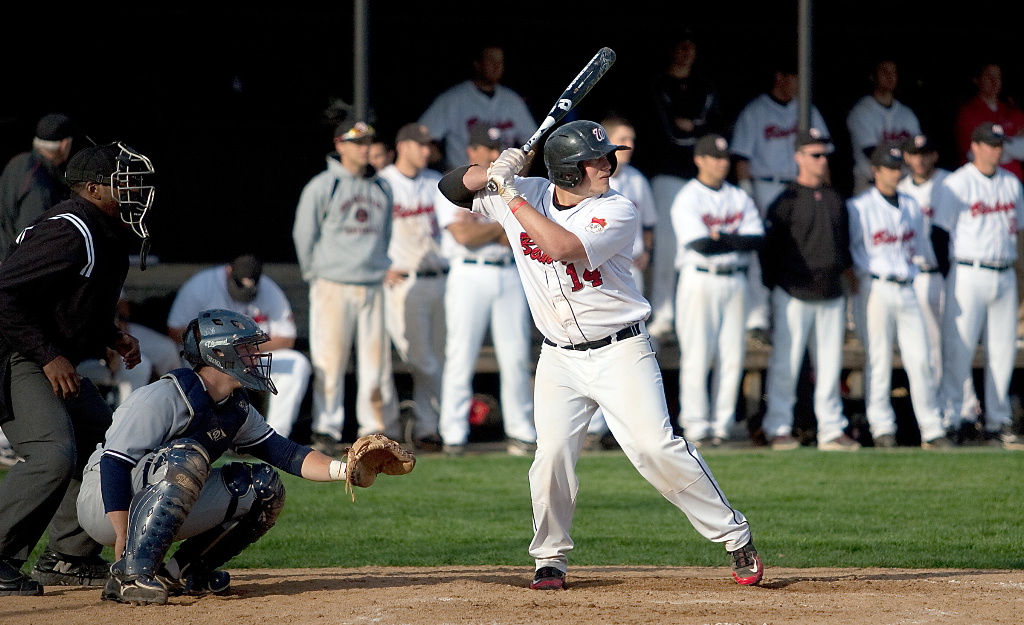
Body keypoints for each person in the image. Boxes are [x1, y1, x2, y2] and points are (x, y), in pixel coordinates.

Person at [437, 119, 764, 590]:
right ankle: (550, 558)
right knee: (549, 456)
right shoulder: (524, 188)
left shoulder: (617, 208)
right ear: (567, 171)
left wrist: (508, 196)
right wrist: (488, 169)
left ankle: (734, 535)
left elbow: (562, 246)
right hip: (558, 358)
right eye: (595, 160)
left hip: (620, 350)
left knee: (655, 448)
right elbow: (451, 187)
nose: (608, 165)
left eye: (607, 156)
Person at [76, 309, 412, 605]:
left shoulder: (236, 409)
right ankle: (130, 574)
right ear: (219, 353)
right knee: (187, 457)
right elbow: (115, 463)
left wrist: (348, 469)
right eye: (246, 348)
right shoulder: (164, 395)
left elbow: (287, 454)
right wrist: (122, 535)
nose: (255, 355)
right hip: (105, 503)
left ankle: (179, 572)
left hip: (157, 491)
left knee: (264, 487)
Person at [0, 142, 154, 595]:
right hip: (14, 354)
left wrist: (111, 335)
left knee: (107, 444)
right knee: (52, 452)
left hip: (35, 350)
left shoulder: (101, 232)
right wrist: (49, 356)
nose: (134, 192)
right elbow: (5, 297)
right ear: (91, 189)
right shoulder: (71, 230)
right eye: (122, 183)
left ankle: (67, 556)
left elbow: (64, 304)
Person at [292, 119, 400, 454]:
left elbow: (385, 234)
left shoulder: (382, 186)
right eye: (357, 143)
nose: (365, 148)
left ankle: (373, 428)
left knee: (376, 362)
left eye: (368, 142)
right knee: (329, 360)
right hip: (333, 283)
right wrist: (317, 275)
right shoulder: (324, 185)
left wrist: (378, 266)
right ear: (340, 145)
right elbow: (303, 234)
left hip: (371, 284)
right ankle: (326, 427)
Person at [435, 125, 537, 456]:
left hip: (507, 272)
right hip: (468, 274)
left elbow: (518, 235)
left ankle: (521, 431)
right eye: (487, 149)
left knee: (516, 355)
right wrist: (502, 223)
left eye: (497, 149)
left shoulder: (510, 185)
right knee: (460, 354)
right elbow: (462, 236)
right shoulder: (454, 184)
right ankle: (453, 434)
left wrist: (492, 229)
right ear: (471, 152)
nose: (493, 155)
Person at [759, 128, 861, 451]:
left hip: (830, 293)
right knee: (785, 365)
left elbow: (843, 247)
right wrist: (779, 285)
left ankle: (831, 429)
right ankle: (778, 426)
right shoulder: (784, 202)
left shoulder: (835, 198)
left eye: (824, 154)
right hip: (793, 292)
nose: (821, 161)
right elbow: (769, 252)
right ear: (799, 157)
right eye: (815, 155)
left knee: (830, 367)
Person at [846, 145, 950, 448]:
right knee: (878, 359)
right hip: (875, 286)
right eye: (889, 167)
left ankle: (931, 429)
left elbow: (916, 248)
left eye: (897, 167)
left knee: (920, 359)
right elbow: (849, 253)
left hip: (906, 285)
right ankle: (881, 428)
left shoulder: (911, 204)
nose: (895, 172)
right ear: (875, 171)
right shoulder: (859, 206)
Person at [932, 122, 1024, 449]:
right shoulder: (956, 183)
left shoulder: (1012, 183)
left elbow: (1020, 234)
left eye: (999, 144)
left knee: (1002, 351)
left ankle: (997, 420)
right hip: (968, 269)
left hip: (1004, 271)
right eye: (990, 144)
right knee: (959, 348)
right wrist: (947, 276)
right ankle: (954, 418)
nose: (996, 149)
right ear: (975, 146)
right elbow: (939, 234)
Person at [670, 134, 764, 446]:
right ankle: (696, 424)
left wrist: (719, 235)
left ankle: (723, 424)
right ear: (699, 159)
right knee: (698, 353)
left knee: (732, 355)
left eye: (724, 158)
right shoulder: (688, 197)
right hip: (700, 278)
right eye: (714, 157)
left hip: (735, 279)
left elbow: (756, 240)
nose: (721, 163)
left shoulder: (738, 196)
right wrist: (732, 238)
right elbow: (699, 244)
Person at [731, 58, 831, 344]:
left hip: (800, 187)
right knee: (761, 252)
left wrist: (827, 192)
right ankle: (759, 317)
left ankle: (786, 311)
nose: (797, 84)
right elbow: (742, 159)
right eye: (792, 77)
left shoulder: (807, 109)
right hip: (765, 186)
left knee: (801, 248)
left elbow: (824, 154)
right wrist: (749, 197)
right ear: (779, 77)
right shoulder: (756, 110)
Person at [166, 254, 312, 440]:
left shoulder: (269, 289)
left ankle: (275, 437)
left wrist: (243, 346)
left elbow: (287, 338)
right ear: (228, 272)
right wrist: (219, 346)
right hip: (211, 359)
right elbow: (175, 330)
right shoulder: (202, 285)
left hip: (251, 357)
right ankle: (198, 433)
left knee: (296, 362)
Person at [642, 33, 723, 344]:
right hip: (666, 175)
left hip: (699, 179)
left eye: (691, 46)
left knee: (698, 246)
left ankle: (688, 314)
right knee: (667, 248)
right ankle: (663, 313)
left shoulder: (705, 87)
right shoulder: (658, 85)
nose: (686, 52)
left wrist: (694, 128)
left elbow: (711, 128)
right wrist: (693, 129)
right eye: (681, 45)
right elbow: (671, 132)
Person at [380, 123, 448, 450]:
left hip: (441, 277)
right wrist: (378, 267)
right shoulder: (382, 183)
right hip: (403, 281)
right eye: (420, 145)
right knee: (419, 358)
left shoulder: (435, 182)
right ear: (403, 145)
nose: (426, 150)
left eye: (428, 144)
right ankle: (405, 423)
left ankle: (428, 428)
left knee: (439, 357)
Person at [418, 44, 537, 171]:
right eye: (491, 61)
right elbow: (419, 135)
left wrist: (520, 175)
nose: (497, 66)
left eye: (500, 62)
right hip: (463, 181)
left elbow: (532, 140)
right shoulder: (453, 99)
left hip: (502, 181)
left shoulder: (512, 100)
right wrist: (445, 170)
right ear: (477, 64)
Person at [0, 113, 79, 259]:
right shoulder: (39, 183)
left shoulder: (18, 163)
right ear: (65, 144)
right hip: (16, 266)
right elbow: (33, 241)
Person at [845, 59, 921, 195]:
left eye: (893, 72)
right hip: (871, 186)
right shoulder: (862, 111)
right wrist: (908, 156)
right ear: (872, 77)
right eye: (884, 71)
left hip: (904, 186)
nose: (890, 76)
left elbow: (918, 149)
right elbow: (874, 154)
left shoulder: (906, 113)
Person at [954, 62, 1024, 182]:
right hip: (980, 183)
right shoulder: (968, 113)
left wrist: (993, 144)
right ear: (977, 80)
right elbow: (973, 154)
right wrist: (1011, 142)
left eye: (998, 77)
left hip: (1013, 181)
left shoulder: (1014, 112)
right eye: (989, 76)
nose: (994, 81)